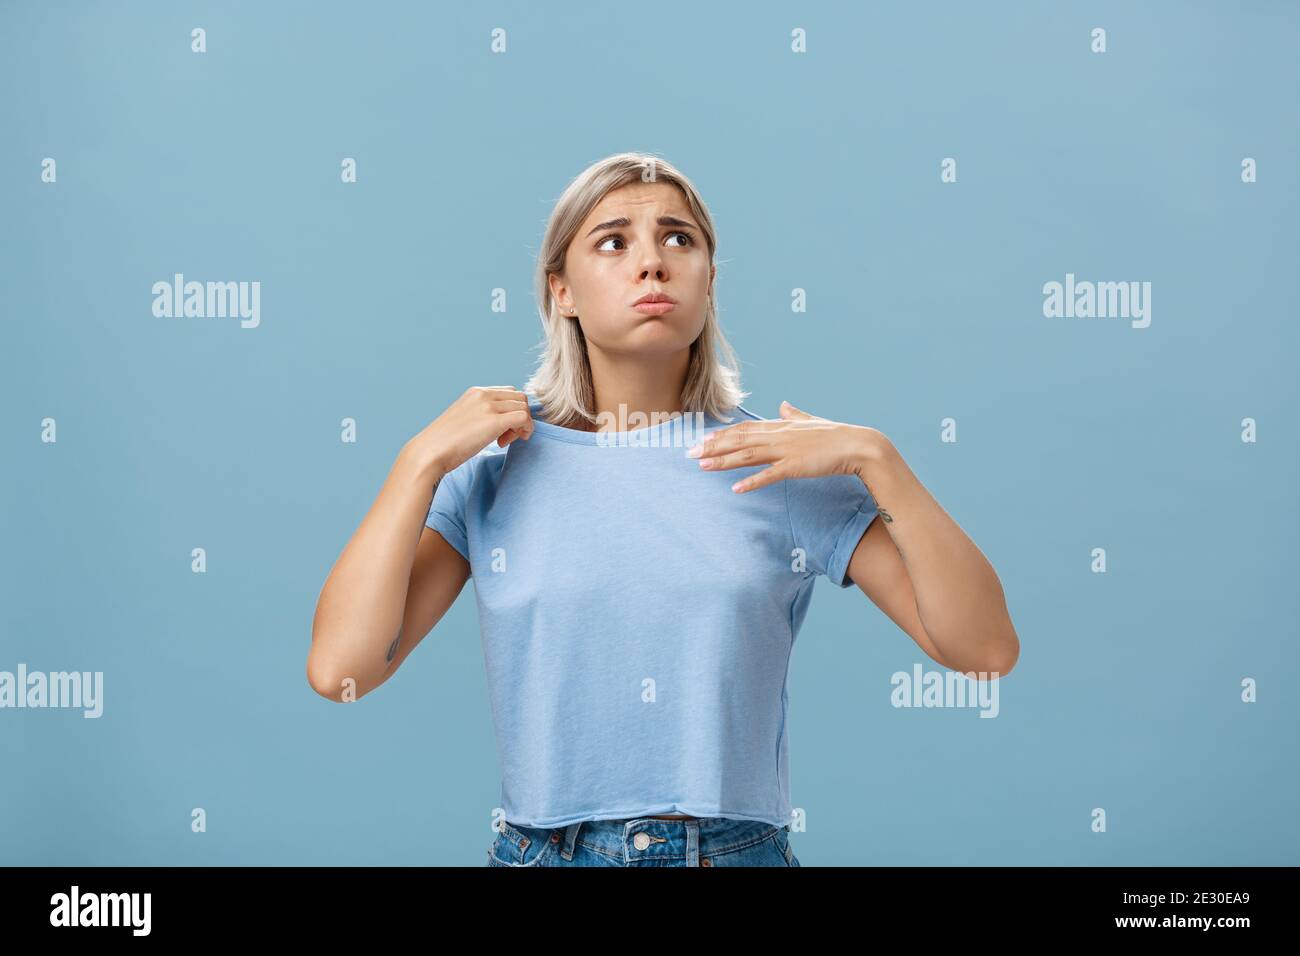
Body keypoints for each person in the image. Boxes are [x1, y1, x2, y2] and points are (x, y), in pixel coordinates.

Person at [308, 152, 1020, 867]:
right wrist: (417, 465)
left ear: (709, 282)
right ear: (563, 291)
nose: (652, 262)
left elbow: (983, 651)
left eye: (678, 238)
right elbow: (343, 669)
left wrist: (879, 460)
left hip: (723, 853)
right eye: (613, 241)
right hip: (537, 853)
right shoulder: (492, 471)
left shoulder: (777, 462)